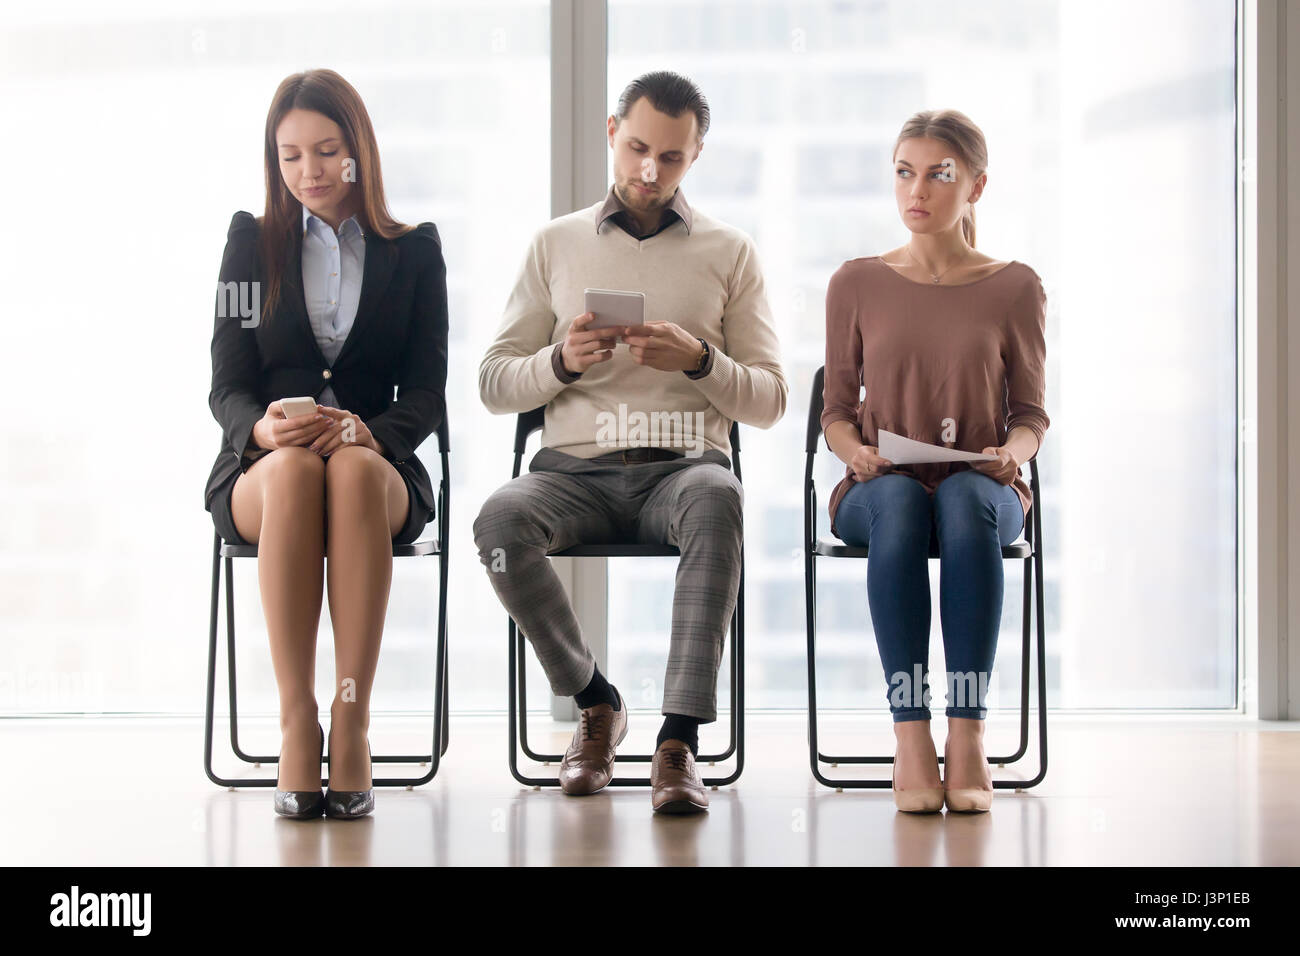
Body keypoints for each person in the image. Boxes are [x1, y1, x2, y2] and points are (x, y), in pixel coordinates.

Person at [474, 71, 787, 814]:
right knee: (498, 521)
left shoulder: (730, 252)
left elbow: (771, 400)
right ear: (613, 134)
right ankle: (596, 703)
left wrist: (701, 361)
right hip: (570, 473)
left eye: (671, 157)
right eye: (639, 147)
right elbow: (493, 383)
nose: (650, 171)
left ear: (696, 156)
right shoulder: (554, 244)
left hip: (681, 471)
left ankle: (677, 744)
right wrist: (561, 361)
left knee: (720, 498)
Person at [205, 69, 449, 820]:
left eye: (326, 151)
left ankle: (351, 720)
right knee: (297, 472)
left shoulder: (412, 252)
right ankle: (295, 721)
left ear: (359, 154)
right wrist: (260, 427)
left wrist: (369, 432)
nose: (308, 171)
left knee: (344, 471)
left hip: (375, 470)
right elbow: (227, 383)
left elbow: (429, 394)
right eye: (289, 156)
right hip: (263, 471)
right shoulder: (252, 244)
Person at [820, 109, 1049, 814]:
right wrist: (854, 451)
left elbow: (1030, 417)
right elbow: (835, 409)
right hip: (879, 486)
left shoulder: (1015, 287)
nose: (916, 189)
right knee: (904, 503)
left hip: (982, 488)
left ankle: (968, 729)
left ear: (976, 187)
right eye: (904, 172)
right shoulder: (855, 282)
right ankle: (912, 733)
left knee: (957, 503)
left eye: (939, 175)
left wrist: (1011, 457)